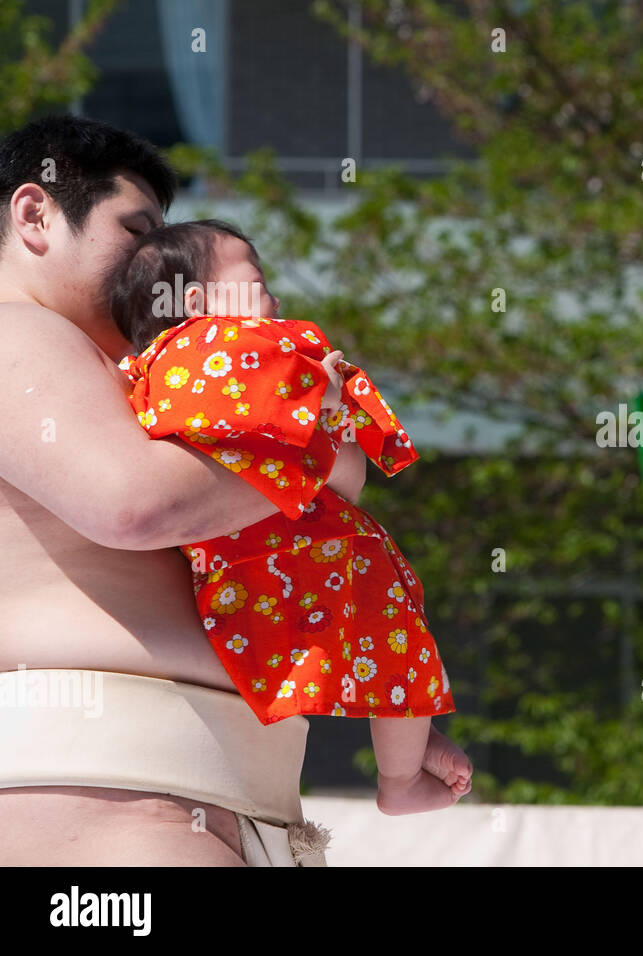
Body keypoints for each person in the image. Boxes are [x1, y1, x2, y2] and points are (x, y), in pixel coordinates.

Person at [0, 115, 467, 866]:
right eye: (137, 227)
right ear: (36, 213)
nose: (156, 259)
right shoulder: (13, 332)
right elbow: (135, 504)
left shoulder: (133, 381)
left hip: (209, 797)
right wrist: (316, 441)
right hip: (110, 804)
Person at [110, 220, 470, 791]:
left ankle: (405, 765)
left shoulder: (222, 362)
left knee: (399, 639)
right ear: (197, 302)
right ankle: (400, 774)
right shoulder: (201, 351)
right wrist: (313, 387)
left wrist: (325, 409)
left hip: (304, 550)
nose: (275, 300)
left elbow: (346, 486)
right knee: (397, 643)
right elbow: (242, 415)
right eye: (257, 282)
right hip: (265, 561)